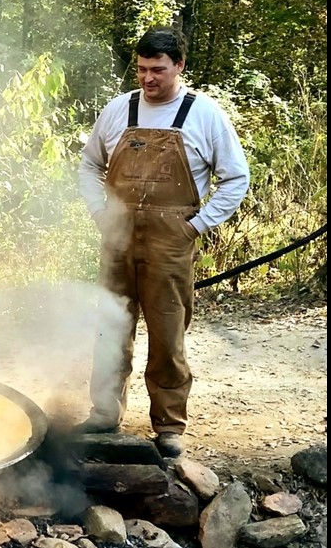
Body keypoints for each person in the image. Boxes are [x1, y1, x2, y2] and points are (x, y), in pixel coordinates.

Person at [76, 26, 250, 458]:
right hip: (117, 236)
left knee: (167, 332)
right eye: (141, 69)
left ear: (180, 66)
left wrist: (196, 226)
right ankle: (103, 413)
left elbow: (236, 177)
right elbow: (88, 166)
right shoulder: (119, 110)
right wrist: (100, 212)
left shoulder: (204, 115)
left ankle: (169, 425)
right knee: (111, 327)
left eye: (158, 70)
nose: (148, 79)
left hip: (171, 241)